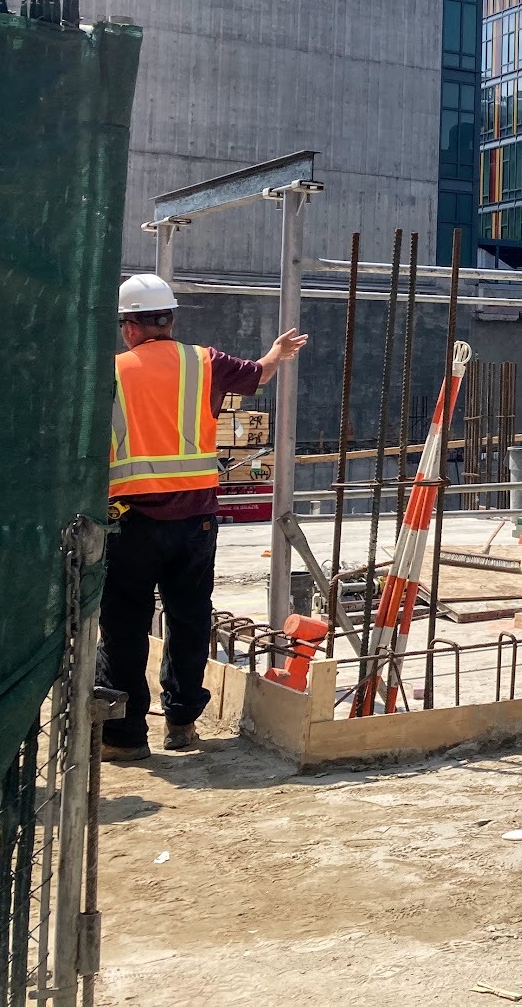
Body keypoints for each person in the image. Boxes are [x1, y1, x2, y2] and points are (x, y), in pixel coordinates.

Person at [99, 274, 308, 762]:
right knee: (189, 620)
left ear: (129, 326)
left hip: (129, 521)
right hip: (195, 521)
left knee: (124, 626)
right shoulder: (204, 362)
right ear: (169, 320)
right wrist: (277, 353)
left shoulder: (109, 371)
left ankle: (126, 736)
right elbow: (259, 373)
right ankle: (181, 724)